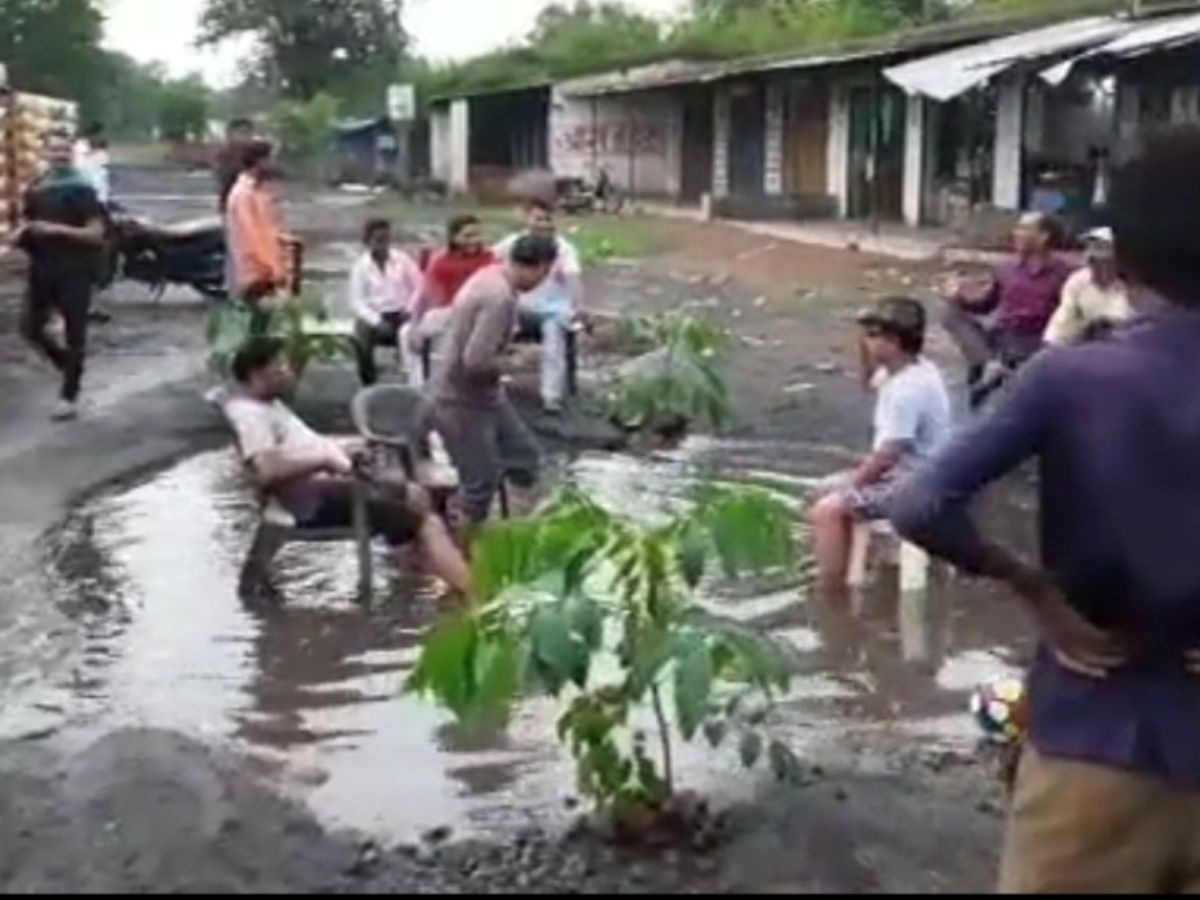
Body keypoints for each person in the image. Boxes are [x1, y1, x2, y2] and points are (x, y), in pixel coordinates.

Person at [887, 129, 1200, 894]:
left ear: (1118, 258)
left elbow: (920, 502)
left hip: (1097, 741)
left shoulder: (1073, 380)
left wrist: (1032, 587)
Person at [224, 336, 469, 596]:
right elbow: (266, 470)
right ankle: (473, 595)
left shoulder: (269, 405)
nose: (290, 372)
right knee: (426, 521)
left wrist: (340, 446)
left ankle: (415, 586)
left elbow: (301, 446)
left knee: (415, 495)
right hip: (313, 503)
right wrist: (325, 458)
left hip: (324, 491)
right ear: (257, 373)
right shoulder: (250, 414)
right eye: (281, 367)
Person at [809, 297, 951, 597]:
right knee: (822, 491)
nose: (866, 342)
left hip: (914, 480)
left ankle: (831, 590)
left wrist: (853, 482)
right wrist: (865, 349)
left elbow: (890, 452)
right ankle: (844, 561)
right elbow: (868, 382)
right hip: (918, 471)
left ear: (894, 341)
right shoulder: (910, 369)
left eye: (873, 336)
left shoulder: (906, 390)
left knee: (827, 509)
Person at [424, 234, 557, 527]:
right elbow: (475, 362)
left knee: (524, 457)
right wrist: (519, 362)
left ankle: (514, 524)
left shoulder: (491, 275)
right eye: (545, 275)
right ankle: (457, 550)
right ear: (540, 268)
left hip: (486, 397)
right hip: (459, 399)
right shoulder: (498, 297)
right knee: (479, 485)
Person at [15, 129, 106, 421]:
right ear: (44, 154)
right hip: (42, 267)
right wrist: (21, 236)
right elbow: (28, 224)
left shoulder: (82, 188)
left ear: (72, 153)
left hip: (76, 268)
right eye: (54, 150)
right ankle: (69, 367)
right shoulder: (37, 188)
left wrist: (56, 230)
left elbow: (95, 234)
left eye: (65, 150)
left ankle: (69, 395)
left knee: (74, 331)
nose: (60, 155)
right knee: (30, 328)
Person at [940, 211, 1072, 406]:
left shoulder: (1064, 274)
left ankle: (992, 369)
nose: (1016, 233)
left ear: (1044, 237)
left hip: (1036, 342)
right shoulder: (1007, 268)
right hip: (1001, 338)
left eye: (1025, 229)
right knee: (950, 314)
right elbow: (986, 304)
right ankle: (989, 364)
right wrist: (958, 296)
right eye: (1017, 228)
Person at [493, 199, 584, 414]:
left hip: (551, 311)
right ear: (527, 220)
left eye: (547, 219)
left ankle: (551, 396)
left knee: (554, 330)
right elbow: (490, 261)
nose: (543, 224)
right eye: (538, 219)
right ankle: (489, 385)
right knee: (493, 321)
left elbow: (573, 279)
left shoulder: (563, 249)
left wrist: (578, 305)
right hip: (518, 306)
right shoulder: (513, 243)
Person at [406, 214, 495, 384]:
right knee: (407, 334)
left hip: (480, 315)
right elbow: (425, 296)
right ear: (454, 238)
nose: (474, 240)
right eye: (467, 236)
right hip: (449, 313)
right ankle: (418, 384)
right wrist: (414, 325)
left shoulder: (489, 260)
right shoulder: (441, 262)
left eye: (477, 235)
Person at [347, 218, 423, 386]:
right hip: (376, 317)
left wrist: (409, 309)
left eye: (386, 239)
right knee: (361, 335)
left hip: (402, 313)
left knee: (414, 332)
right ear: (367, 242)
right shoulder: (360, 267)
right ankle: (368, 382)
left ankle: (413, 379)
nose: (383, 245)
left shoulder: (402, 260)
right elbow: (356, 302)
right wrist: (377, 321)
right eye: (378, 240)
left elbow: (420, 287)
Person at [225, 140, 288, 319]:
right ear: (259, 161)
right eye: (271, 159)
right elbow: (251, 238)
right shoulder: (244, 195)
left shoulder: (256, 193)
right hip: (257, 274)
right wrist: (272, 269)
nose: (274, 164)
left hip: (262, 273)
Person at [1043, 227, 1133, 346]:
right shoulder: (1077, 280)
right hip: (1086, 348)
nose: (1092, 254)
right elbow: (1063, 322)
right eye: (1089, 247)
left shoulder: (1134, 284)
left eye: (1101, 248)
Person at [215, 118, 255, 214]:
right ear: (230, 135)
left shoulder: (255, 152)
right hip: (232, 202)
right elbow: (224, 177)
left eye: (248, 133)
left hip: (253, 202)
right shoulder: (225, 153)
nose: (245, 137)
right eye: (241, 133)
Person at [73, 122, 111, 205]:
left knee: (98, 187)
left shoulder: (81, 143)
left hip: (91, 168)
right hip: (91, 168)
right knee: (98, 187)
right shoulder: (84, 143)